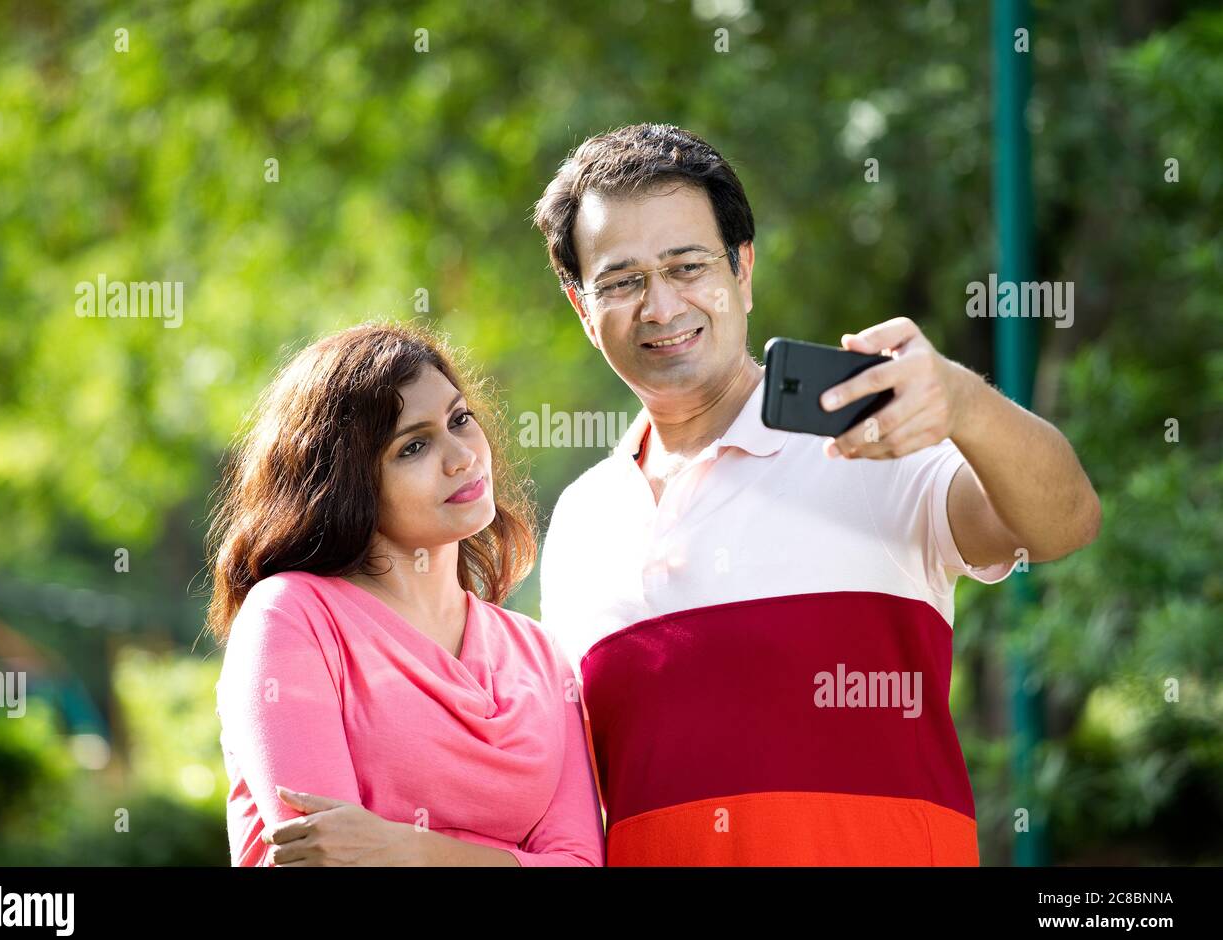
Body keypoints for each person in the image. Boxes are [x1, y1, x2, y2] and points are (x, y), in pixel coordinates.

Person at [532, 123, 1102, 865]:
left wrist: (964, 402)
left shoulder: (872, 435)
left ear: (743, 269)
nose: (661, 306)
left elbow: (1064, 523)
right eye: (622, 281)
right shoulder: (581, 521)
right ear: (583, 306)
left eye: (687, 265)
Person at [207, 323, 604, 866]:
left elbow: (581, 863)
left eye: (460, 420)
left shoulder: (538, 654)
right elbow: (329, 860)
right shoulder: (292, 616)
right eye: (413, 446)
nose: (462, 456)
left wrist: (405, 850)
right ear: (346, 481)